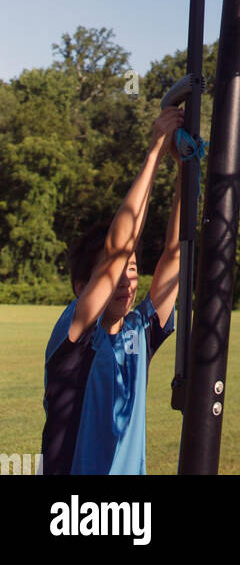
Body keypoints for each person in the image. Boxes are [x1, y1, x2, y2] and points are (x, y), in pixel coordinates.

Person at [41, 103, 185, 474]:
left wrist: (185, 170)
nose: (127, 280)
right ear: (80, 289)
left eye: (134, 270)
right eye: (119, 271)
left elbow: (175, 252)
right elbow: (117, 249)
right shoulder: (72, 338)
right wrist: (155, 149)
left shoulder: (141, 329)